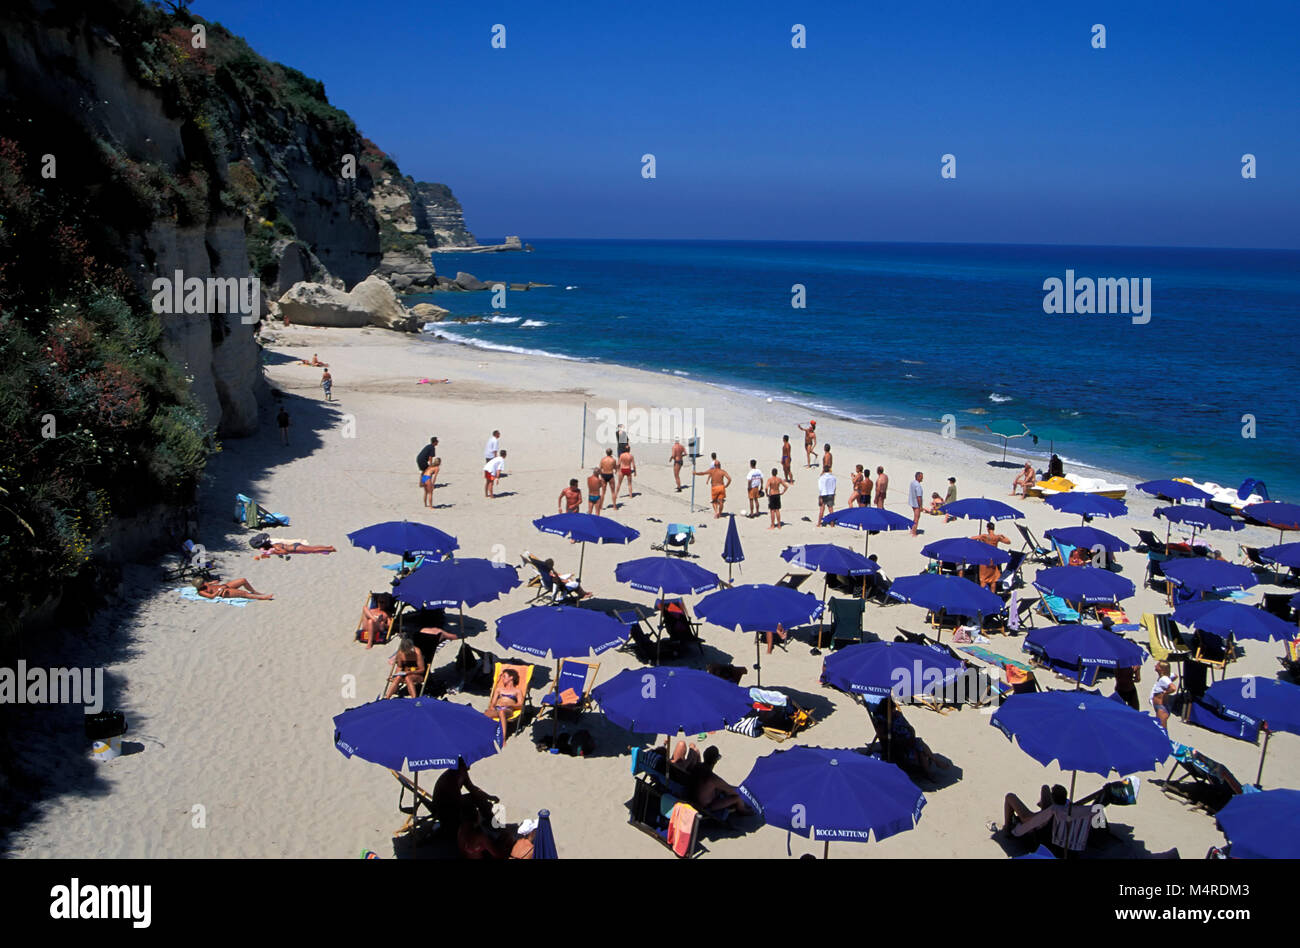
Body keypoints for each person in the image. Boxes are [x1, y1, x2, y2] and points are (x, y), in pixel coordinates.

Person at [990, 784, 1070, 837]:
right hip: (1051, 823)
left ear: (1052, 799)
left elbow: (1026, 818)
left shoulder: (1048, 813)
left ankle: (1007, 828)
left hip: (1035, 832)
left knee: (1010, 796)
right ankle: (1042, 804)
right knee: (1045, 787)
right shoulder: (1070, 807)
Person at [483, 667, 524, 746]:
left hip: (508, 710)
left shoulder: (517, 691)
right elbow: (493, 703)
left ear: (511, 678)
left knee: (502, 712)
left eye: (504, 676)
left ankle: (503, 738)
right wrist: (491, 708)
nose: (502, 678)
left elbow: (520, 705)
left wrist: (509, 704)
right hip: (497, 709)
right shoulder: (499, 689)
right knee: (485, 713)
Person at [972, 522, 1011, 591]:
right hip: (993, 559)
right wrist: (1003, 536)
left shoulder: (985, 536)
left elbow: (972, 538)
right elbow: (1008, 542)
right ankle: (993, 595)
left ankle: (982, 594)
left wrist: (979, 541)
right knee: (993, 579)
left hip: (985, 559)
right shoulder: (997, 537)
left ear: (987, 528)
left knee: (983, 579)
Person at [1150, 660, 1178, 730]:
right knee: (1160, 728)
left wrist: (1166, 692)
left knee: (1162, 730)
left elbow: (1173, 688)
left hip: (1161, 708)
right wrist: (1170, 679)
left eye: (1157, 665)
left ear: (1162, 669)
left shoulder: (1164, 679)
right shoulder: (1166, 677)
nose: (1155, 666)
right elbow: (1175, 675)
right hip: (1160, 707)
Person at [192, 577, 272, 601]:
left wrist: (213, 583)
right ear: (199, 586)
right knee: (243, 593)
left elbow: (208, 584)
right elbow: (212, 596)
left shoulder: (204, 584)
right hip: (223, 592)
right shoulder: (201, 591)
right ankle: (262, 598)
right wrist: (220, 590)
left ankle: (254, 591)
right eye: (202, 583)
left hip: (224, 586)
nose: (204, 583)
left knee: (243, 580)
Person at [252, 538, 336, 560]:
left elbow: (285, 552)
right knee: (313, 548)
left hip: (296, 548)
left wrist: (276, 552)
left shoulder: (275, 547)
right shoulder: (274, 544)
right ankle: (328, 547)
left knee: (313, 549)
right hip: (295, 546)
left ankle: (330, 548)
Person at [908, 471, 925, 536]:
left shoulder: (912, 482)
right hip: (916, 504)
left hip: (912, 502)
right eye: (921, 477)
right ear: (918, 477)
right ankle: (914, 532)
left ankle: (912, 529)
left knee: (915, 517)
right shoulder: (918, 486)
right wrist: (920, 506)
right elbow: (919, 497)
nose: (922, 478)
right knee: (917, 517)